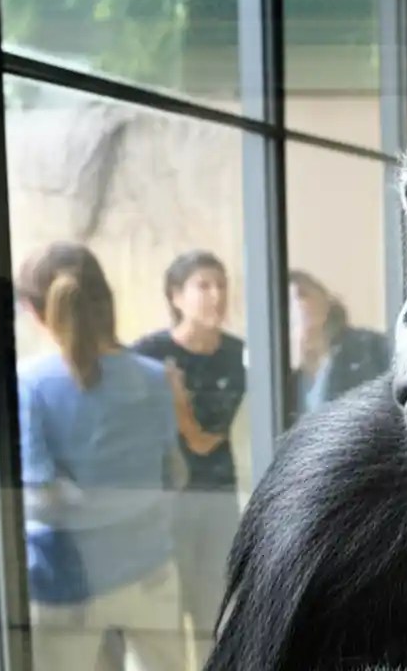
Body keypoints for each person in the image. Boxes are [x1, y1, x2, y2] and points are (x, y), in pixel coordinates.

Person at [14, 242, 186, 671]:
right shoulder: (153, 377)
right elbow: (174, 475)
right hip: (149, 568)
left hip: (68, 581)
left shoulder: (29, 384)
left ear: (33, 311)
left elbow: (40, 498)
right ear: (106, 300)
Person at [130, 251, 246, 664]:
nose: (216, 295)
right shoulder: (145, 353)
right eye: (203, 285)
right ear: (176, 296)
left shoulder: (240, 355)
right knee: (161, 621)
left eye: (221, 285)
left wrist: (176, 398)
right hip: (160, 505)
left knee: (213, 614)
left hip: (216, 498)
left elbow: (202, 441)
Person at [285, 270, 389, 427]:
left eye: (302, 294)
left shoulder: (369, 348)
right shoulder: (284, 377)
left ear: (325, 300)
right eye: (287, 301)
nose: (297, 305)